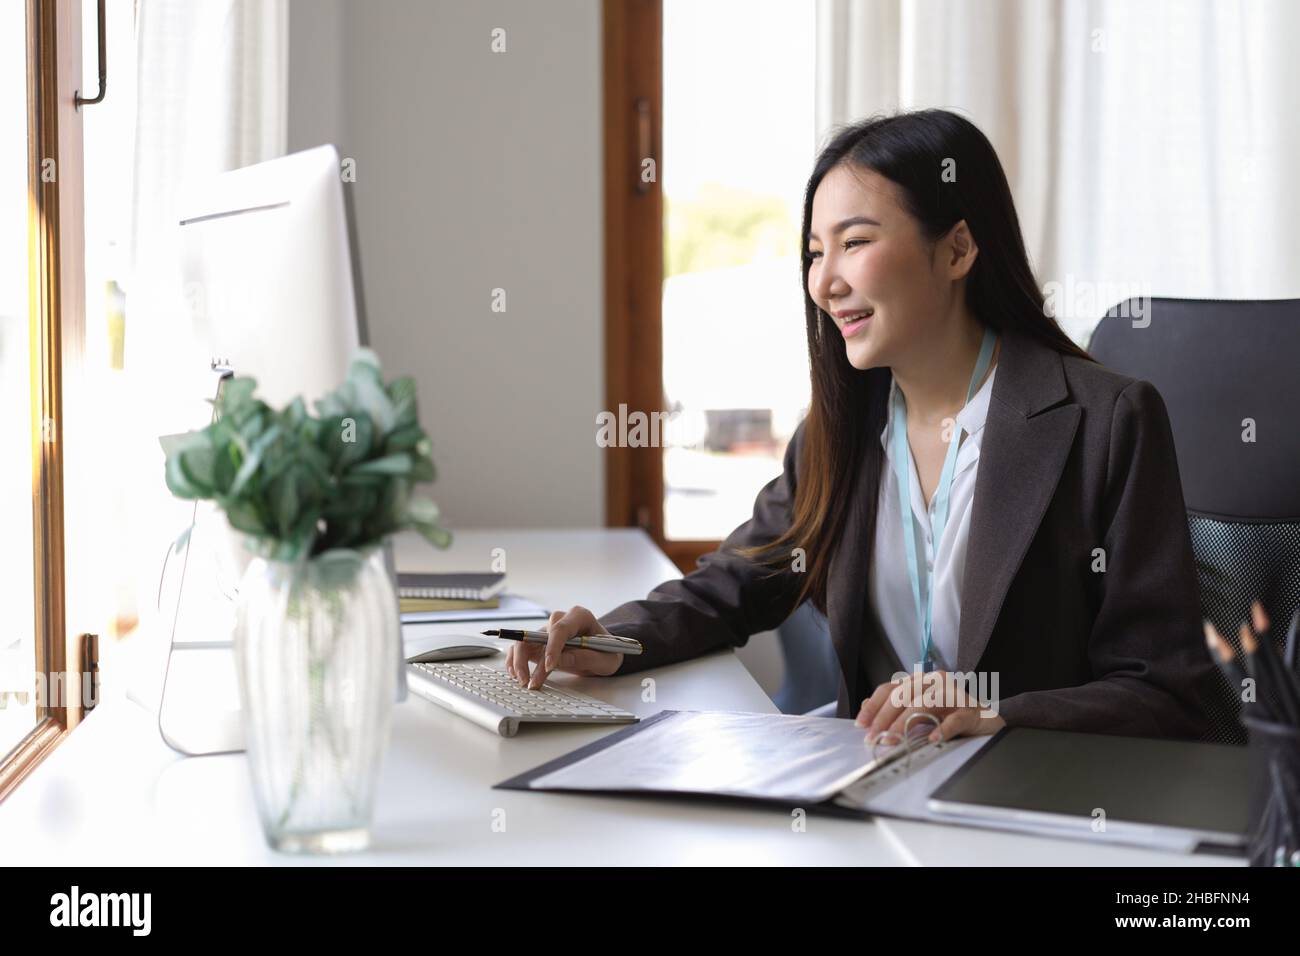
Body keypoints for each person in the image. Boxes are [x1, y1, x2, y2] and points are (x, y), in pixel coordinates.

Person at [507, 109, 1219, 744]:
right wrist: (612, 640)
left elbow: (1165, 692)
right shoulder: (843, 428)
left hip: (1033, 803)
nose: (824, 282)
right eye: (816, 253)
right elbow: (735, 584)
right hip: (876, 788)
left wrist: (994, 713)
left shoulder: (1106, 422)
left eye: (854, 242)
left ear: (959, 250)